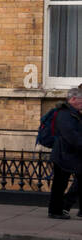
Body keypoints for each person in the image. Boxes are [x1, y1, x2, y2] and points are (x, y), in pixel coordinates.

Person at [47, 87, 82, 220]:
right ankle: (55, 211)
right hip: (63, 155)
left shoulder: (73, 113)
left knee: (63, 183)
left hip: (70, 154)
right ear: (73, 99)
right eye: (81, 100)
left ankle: (61, 208)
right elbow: (72, 136)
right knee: (60, 184)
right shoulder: (65, 114)